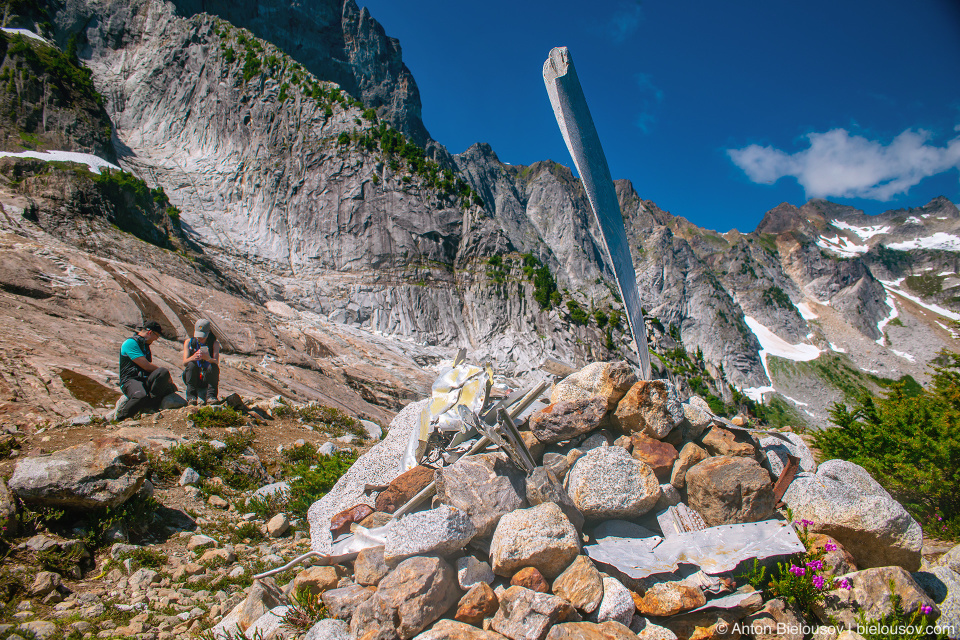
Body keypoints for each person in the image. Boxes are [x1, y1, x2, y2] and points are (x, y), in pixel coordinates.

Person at [115, 320, 177, 420]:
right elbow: (146, 366)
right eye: (156, 336)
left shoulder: (145, 345)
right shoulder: (131, 343)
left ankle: (150, 405)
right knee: (140, 396)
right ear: (150, 332)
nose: (156, 339)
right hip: (130, 380)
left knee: (164, 376)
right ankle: (121, 418)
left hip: (143, 378)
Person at [182, 318, 220, 405]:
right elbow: (185, 362)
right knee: (191, 365)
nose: (200, 339)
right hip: (193, 376)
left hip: (206, 377)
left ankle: (211, 396)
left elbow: (216, 361)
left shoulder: (214, 343)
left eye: (203, 336)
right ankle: (191, 397)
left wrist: (208, 358)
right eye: (198, 336)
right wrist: (193, 357)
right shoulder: (189, 342)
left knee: (213, 366)